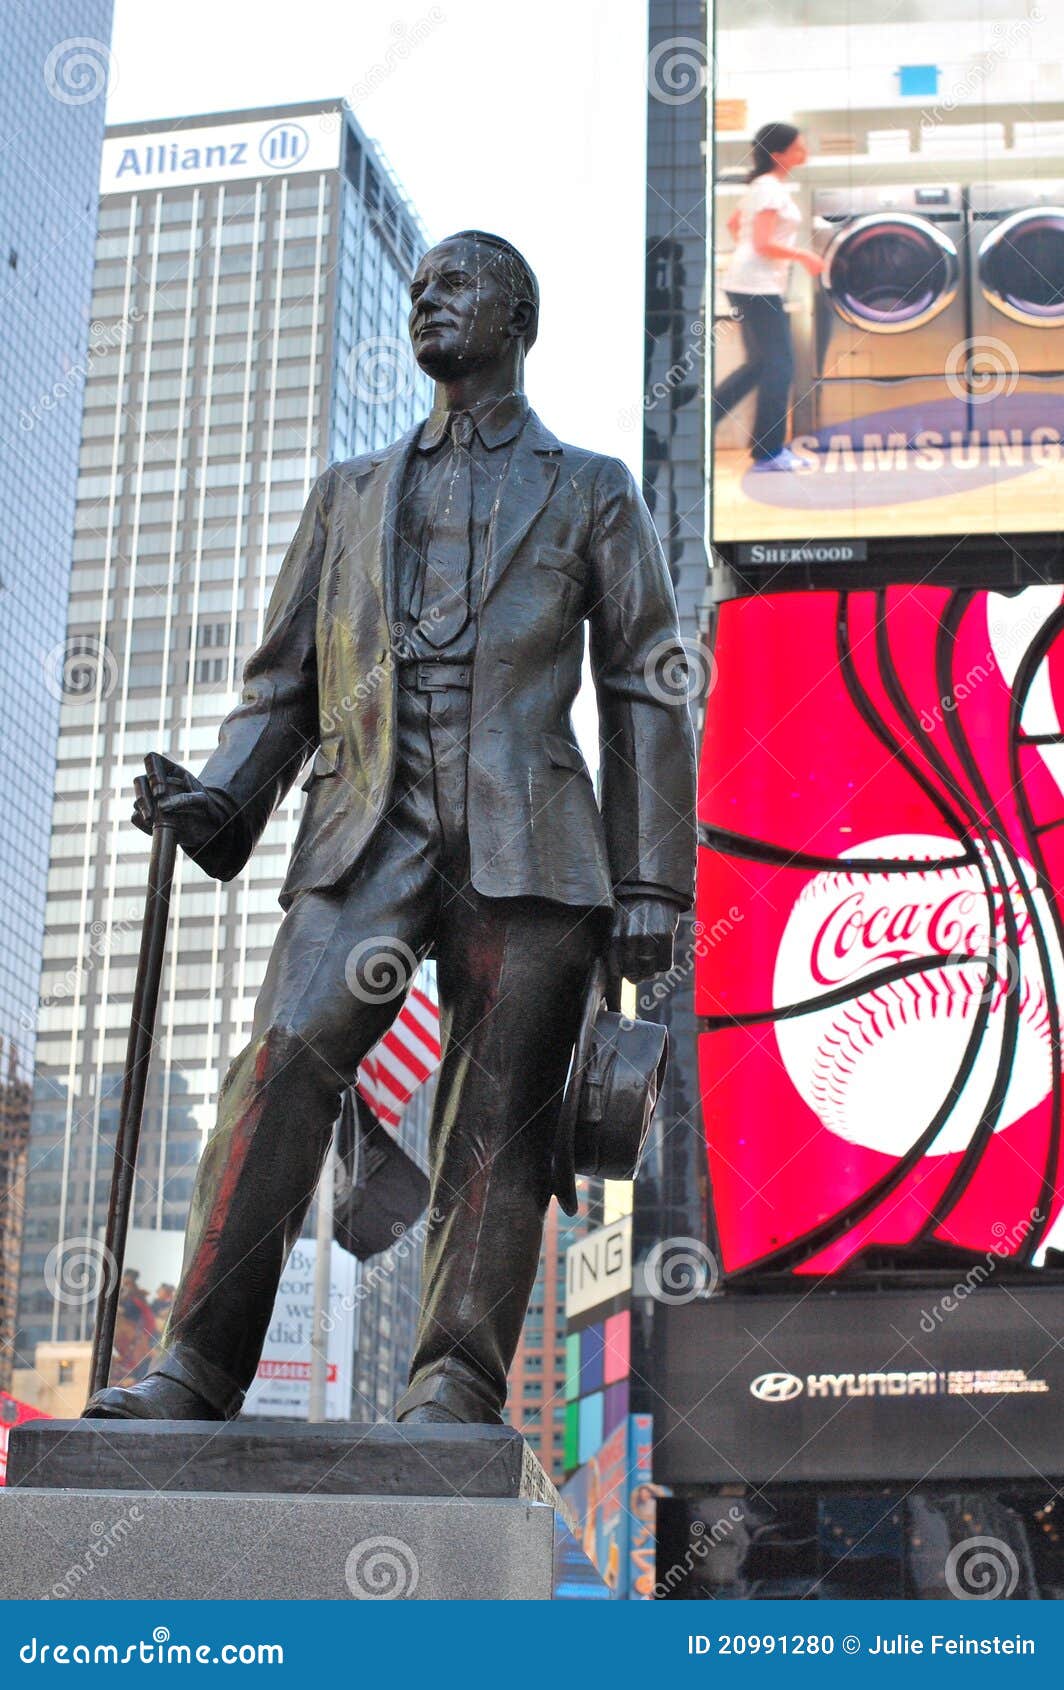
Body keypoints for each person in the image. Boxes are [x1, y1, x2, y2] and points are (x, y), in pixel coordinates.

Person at [83, 230, 697, 1427]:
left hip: (529, 845)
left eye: (454, 285)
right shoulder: (349, 494)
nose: (427, 302)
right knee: (283, 1056)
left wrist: (652, 885)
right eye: (417, 288)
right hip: (367, 828)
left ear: (516, 315)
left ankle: (454, 1383)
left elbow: (645, 684)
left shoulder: (589, 488)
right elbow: (282, 691)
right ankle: (196, 1368)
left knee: (498, 1111)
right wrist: (220, 798)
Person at [713, 122, 824, 471]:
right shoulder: (770, 190)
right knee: (780, 364)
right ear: (779, 154)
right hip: (756, 286)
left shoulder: (762, 187)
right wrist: (804, 256)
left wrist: (751, 252)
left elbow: (735, 224)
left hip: (749, 282)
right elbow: (761, 243)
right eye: (799, 148)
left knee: (760, 364)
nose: (804, 153)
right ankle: (769, 451)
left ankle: (701, 420)